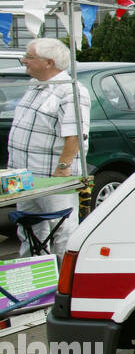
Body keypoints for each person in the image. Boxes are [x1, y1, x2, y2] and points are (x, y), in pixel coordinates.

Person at [7, 38, 91, 259]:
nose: (24, 61)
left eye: (30, 57)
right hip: (25, 178)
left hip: (52, 178)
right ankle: (35, 280)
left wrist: (63, 168)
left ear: (49, 62)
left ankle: (65, 283)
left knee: (61, 229)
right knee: (29, 230)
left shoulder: (70, 91)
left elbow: (75, 134)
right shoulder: (36, 86)